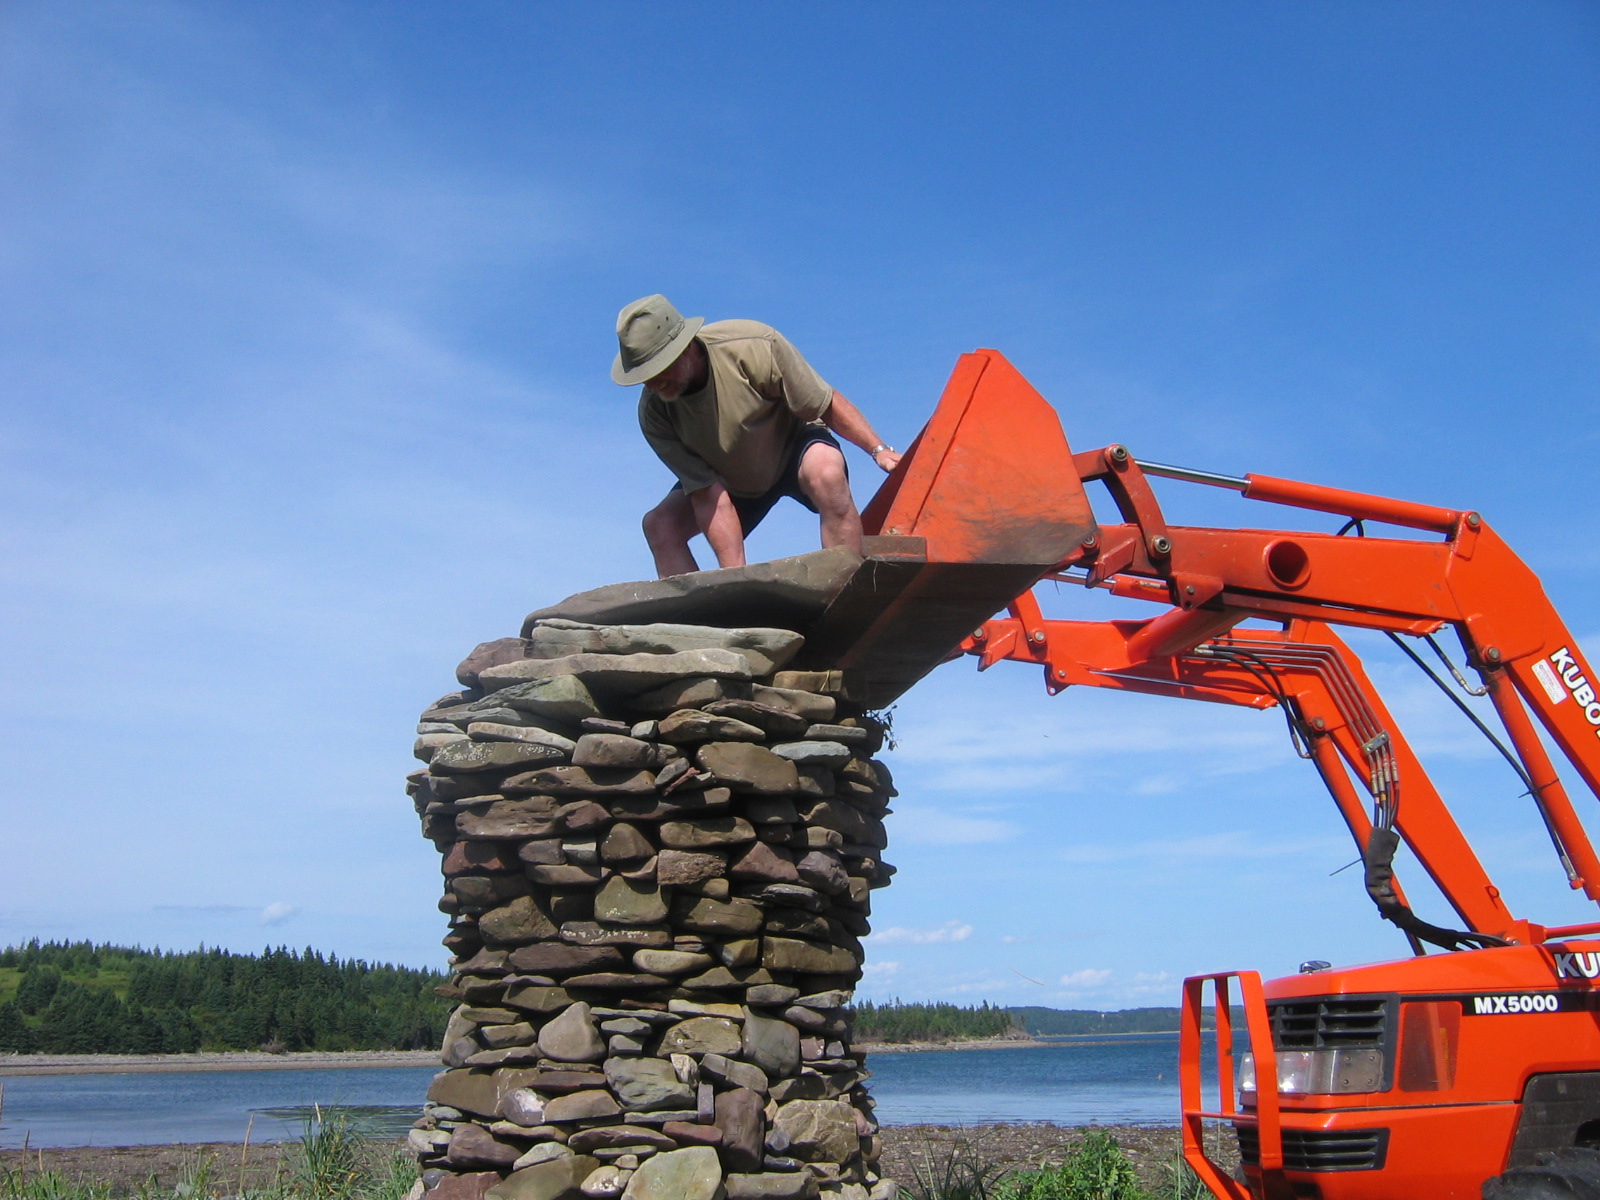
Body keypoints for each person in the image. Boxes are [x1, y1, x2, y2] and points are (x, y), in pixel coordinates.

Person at [614, 294, 903, 578]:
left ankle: (846, 586)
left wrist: (877, 449)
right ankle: (697, 621)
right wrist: (739, 585)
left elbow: (823, 403)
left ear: (686, 347)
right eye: (645, 375)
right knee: (659, 525)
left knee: (827, 472)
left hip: (792, 446)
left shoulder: (753, 346)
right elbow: (707, 494)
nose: (653, 384)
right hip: (728, 478)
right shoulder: (655, 413)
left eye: (661, 368)